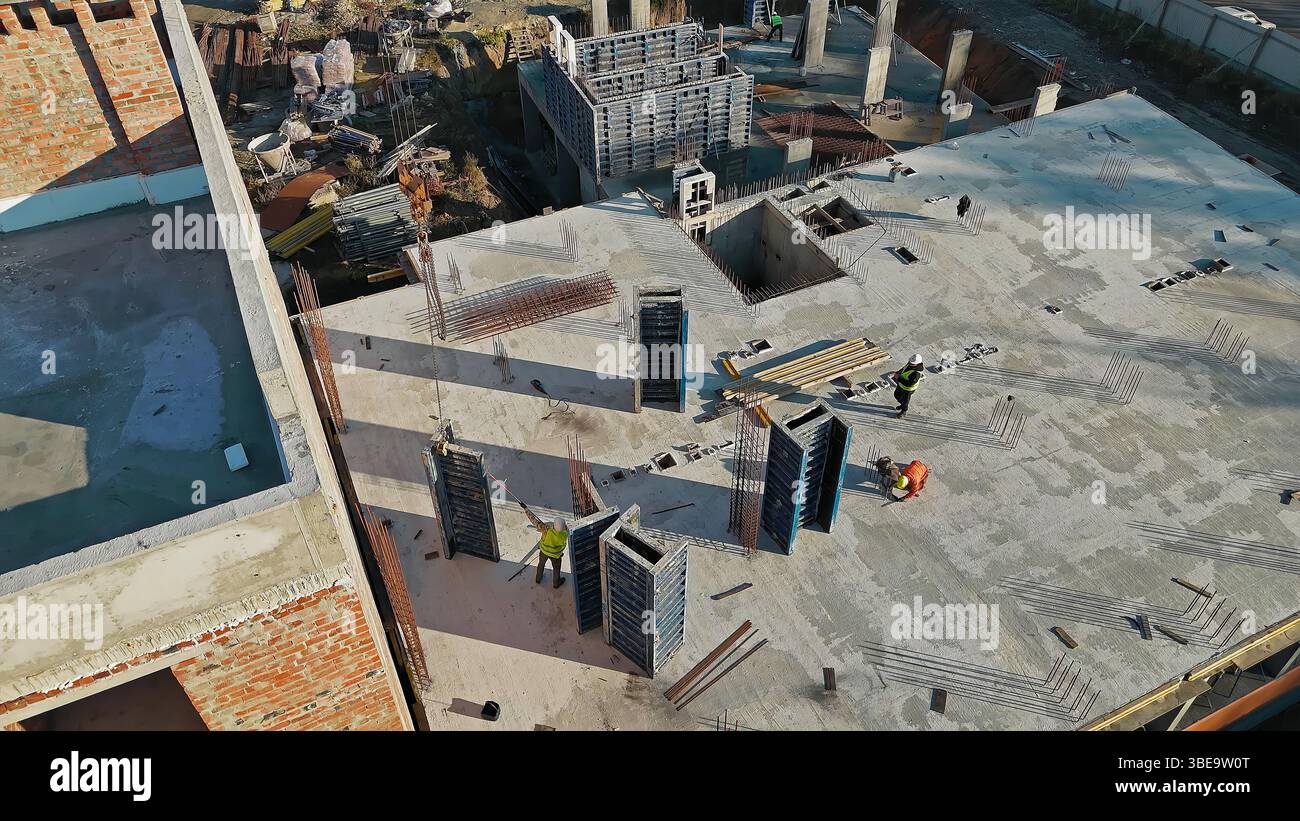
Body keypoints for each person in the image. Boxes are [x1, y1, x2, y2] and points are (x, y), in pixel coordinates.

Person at [522, 505, 568, 588]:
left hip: (544, 552)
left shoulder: (546, 529)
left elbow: (534, 521)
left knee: (541, 564)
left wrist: (526, 509)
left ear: (553, 526)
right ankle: (556, 583)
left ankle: (538, 578)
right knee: (556, 569)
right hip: (556, 556)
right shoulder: (565, 534)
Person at [891, 354, 924, 418]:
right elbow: (903, 369)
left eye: (912, 363)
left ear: (917, 364)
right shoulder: (910, 363)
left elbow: (909, 384)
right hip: (901, 385)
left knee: (905, 401)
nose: (910, 363)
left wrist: (898, 378)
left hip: (908, 389)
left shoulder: (916, 374)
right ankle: (902, 405)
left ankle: (904, 411)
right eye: (910, 362)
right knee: (896, 395)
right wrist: (897, 373)